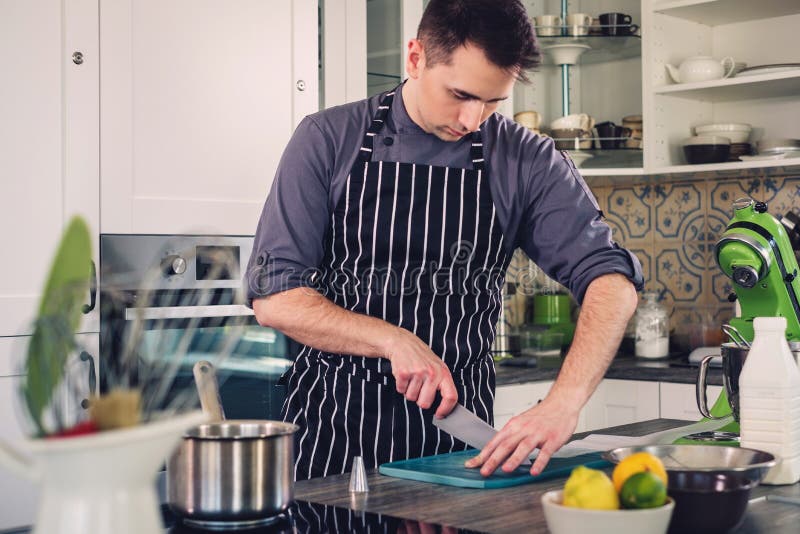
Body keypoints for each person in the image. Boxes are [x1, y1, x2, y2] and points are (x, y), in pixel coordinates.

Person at [246, 0, 643, 481]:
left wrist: (563, 403)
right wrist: (393, 340)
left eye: (493, 102)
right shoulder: (328, 139)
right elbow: (276, 298)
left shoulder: (527, 160)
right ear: (415, 58)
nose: (473, 118)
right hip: (333, 443)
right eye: (460, 94)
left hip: (461, 451)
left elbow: (611, 281)